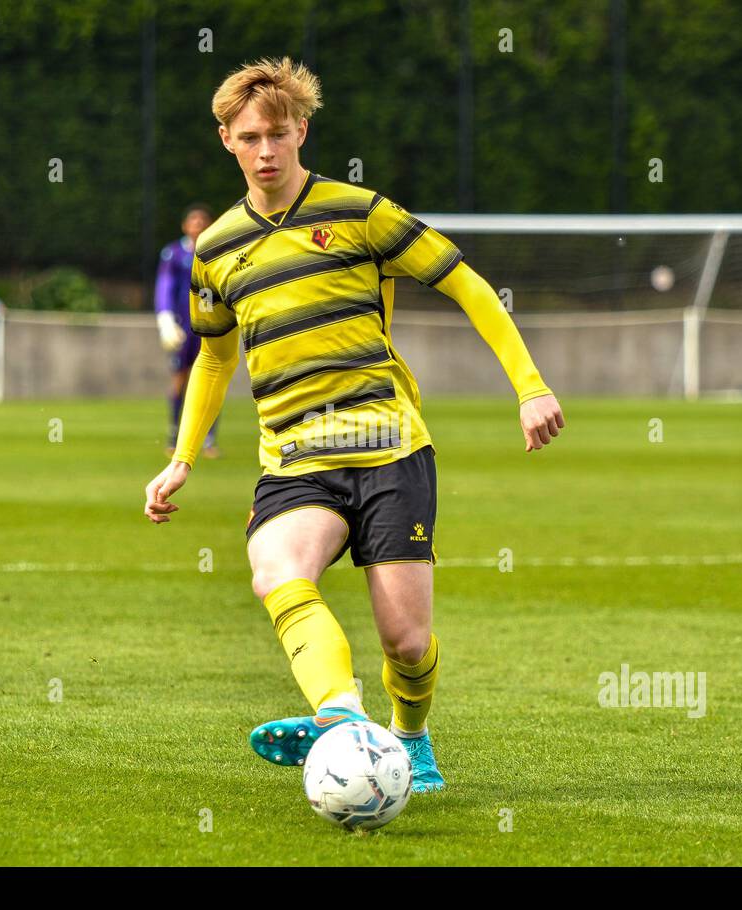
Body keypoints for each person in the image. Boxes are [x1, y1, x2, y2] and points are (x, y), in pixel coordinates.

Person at [143, 58, 564, 793]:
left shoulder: (362, 213)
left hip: (388, 449)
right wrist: (182, 457)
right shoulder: (214, 253)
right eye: (250, 137)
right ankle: (341, 719)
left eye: (279, 133)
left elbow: (467, 285)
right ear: (226, 141)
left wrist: (530, 387)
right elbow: (214, 359)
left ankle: (410, 735)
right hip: (295, 459)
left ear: (301, 130)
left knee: (406, 641)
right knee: (276, 571)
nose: (267, 150)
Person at [155, 204, 221, 457]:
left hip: (207, 326)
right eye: (193, 221)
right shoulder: (173, 253)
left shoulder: (215, 253)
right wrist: (165, 318)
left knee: (208, 380)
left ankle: (208, 439)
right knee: (180, 380)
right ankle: (174, 434)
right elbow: (165, 286)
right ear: (185, 226)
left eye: (202, 221)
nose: (198, 225)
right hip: (183, 327)